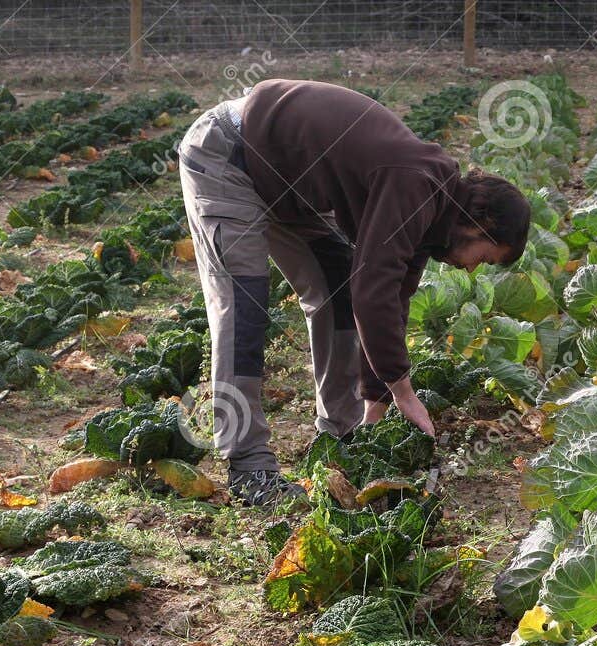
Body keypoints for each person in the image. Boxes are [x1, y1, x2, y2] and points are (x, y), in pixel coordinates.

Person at [177, 78, 532, 506]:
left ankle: (341, 439)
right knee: (245, 307)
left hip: (288, 185)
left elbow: (391, 301)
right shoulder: (416, 183)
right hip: (229, 154)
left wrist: (378, 403)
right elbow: (373, 288)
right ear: (480, 225)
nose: (474, 268)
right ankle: (248, 466)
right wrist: (404, 392)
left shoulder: (431, 213)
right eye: (486, 257)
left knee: (339, 289)